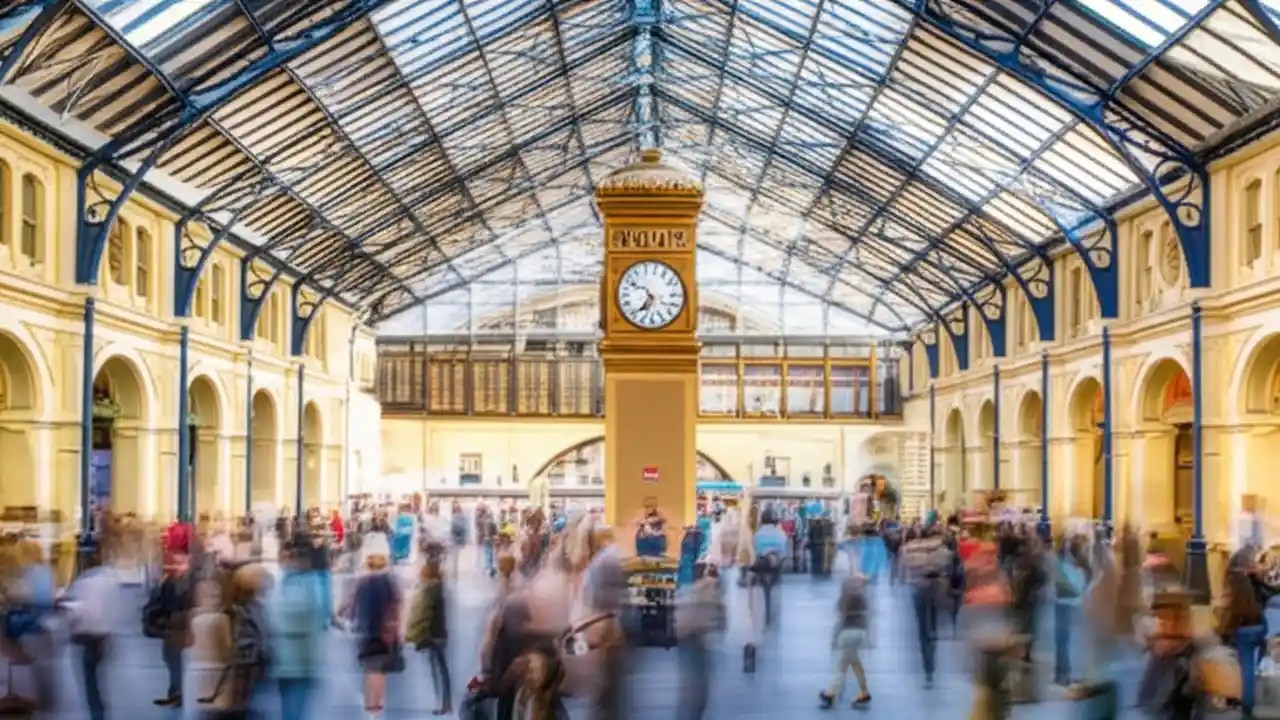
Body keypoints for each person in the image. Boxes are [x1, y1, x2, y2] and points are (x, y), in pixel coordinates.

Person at [348, 534, 403, 719]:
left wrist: (346, 620)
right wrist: (397, 630)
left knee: (370, 670)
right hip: (384, 632)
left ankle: (372, 708)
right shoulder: (389, 581)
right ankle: (376, 708)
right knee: (379, 672)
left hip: (365, 631)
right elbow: (397, 604)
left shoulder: (362, 581)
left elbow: (350, 605)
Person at [63, 543, 118, 720]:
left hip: (88, 637)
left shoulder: (84, 582)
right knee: (96, 679)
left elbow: (80, 610)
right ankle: (100, 713)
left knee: (90, 681)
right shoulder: (110, 579)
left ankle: (97, 715)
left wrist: (64, 607)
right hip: (104, 636)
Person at [272, 543, 322, 719]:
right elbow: (317, 617)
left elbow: (271, 615)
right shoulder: (312, 582)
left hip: (281, 654)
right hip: (303, 655)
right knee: (299, 699)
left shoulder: (279, 583)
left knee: (286, 698)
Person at [819, 573, 872, 709]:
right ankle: (863, 692)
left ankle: (831, 693)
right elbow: (867, 618)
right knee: (854, 664)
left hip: (847, 634)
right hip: (860, 633)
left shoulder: (844, 599)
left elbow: (840, 620)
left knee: (842, 665)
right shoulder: (863, 599)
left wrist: (834, 638)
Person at [407, 559, 451, 716]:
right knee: (442, 669)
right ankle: (445, 702)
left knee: (437, 670)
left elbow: (423, 614)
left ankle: (441, 703)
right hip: (441, 634)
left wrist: (416, 632)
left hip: (432, 634)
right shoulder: (439, 588)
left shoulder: (428, 590)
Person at [150, 551, 193, 707]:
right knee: (171, 660)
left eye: (180, 563)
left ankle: (178, 693)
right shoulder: (169, 581)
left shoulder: (188, 584)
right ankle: (175, 692)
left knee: (176, 661)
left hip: (181, 628)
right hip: (172, 627)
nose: (176, 567)